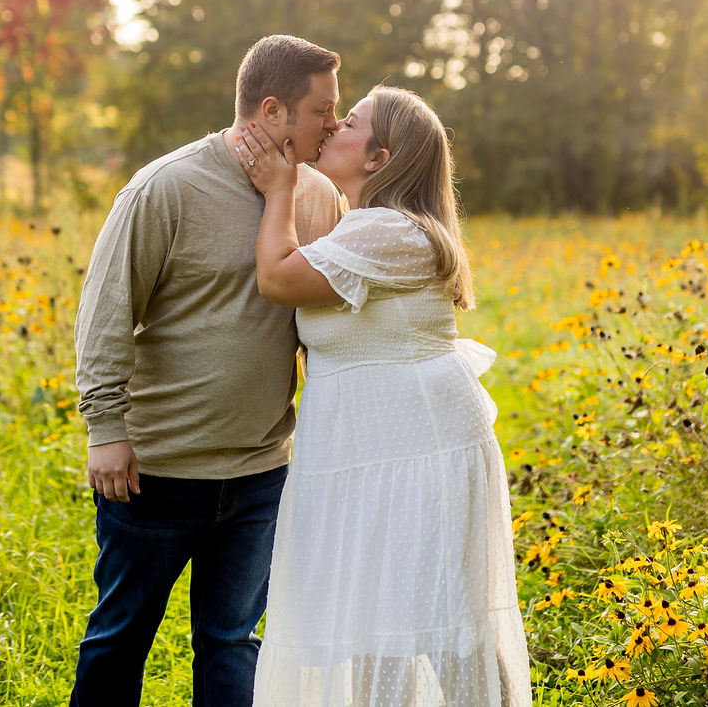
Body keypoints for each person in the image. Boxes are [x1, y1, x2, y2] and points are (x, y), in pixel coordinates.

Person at [70, 35, 347, 707]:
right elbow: (105, 312)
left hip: (259, 476)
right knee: (119, 636)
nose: (335, 125)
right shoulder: (166, 187)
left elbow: (325, 325)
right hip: (157, 474)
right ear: (273, 111)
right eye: (323, 111)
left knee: (232, 642)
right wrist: (106, 429)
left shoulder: (318, 198)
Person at [233, 85, 531, 706]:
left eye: (353, 121)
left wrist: (280, 190)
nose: (336, 124)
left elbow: (277, 277)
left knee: (445, 625)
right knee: (369, 624)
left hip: (419, 449)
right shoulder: (361, 227)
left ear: (378, 158)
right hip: (363, 448)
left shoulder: (393, 233)